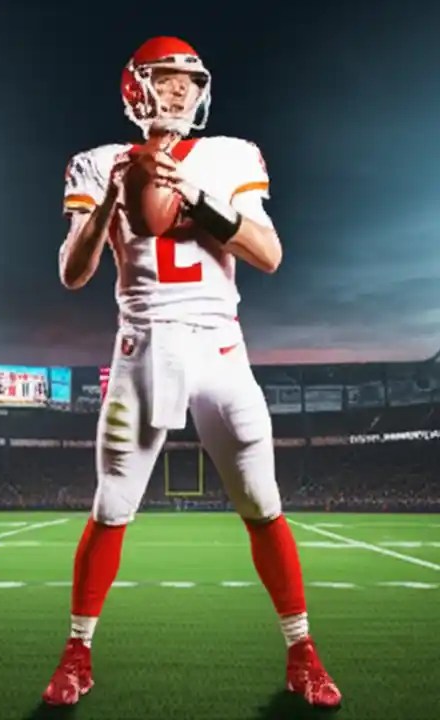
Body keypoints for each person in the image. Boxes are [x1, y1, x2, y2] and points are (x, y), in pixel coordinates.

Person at [47, 35, 340, 708]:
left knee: (263, 505)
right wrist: (117, 201)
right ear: (134, 87)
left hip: (219, 347)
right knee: (112, 506)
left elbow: (268, 253)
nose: (181, 89)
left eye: (189, 79)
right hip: (140, 348)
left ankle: (302, 653)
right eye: (166, 77)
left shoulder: (231, 153)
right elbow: (72, 272)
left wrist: (203, 201)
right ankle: (77, 653)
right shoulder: (98, 163)